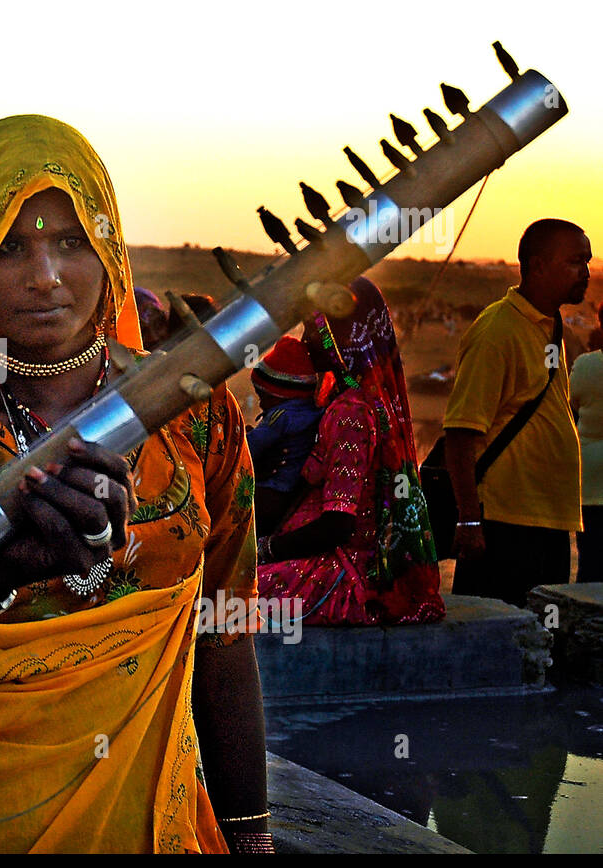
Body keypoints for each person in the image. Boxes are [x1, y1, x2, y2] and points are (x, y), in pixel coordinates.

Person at [0, 115, 270, 854]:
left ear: (108, 248)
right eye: (11, 246)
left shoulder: (195, 415)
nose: (46, 276)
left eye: (72, 242)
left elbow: (224, 633)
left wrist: (251, 835)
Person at [257, 277, 445, 626]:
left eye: (315, 330)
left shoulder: (351, 412)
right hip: (347, 564)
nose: (307, 342)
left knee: (222, 598)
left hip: (346, 575)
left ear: (339, 337)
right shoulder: (357, 401)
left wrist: (267, 549)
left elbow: (338, 526)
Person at [444, 219, 590, 605]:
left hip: (550, 522)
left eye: (588, 262)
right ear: (539, 265)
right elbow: (460, 433)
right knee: (497, 646)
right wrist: (469, 520)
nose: (587, 273)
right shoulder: (497, 330)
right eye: (576, 262)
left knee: (539, 648)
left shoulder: (551, 326)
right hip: (504, 525)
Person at [246, 335, 323, 536]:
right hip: (289, 492)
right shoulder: (313, 412)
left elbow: (250, 450)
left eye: (264, 398)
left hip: (268, 492)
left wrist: (240, 437)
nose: (261, 405)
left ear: (279, 395)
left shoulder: (280, 417)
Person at [571, 309, 603, 581]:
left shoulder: (585, 365)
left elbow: (569, 406)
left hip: (590, 478)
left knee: (590, 561)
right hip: (590, 478)